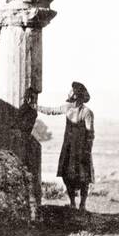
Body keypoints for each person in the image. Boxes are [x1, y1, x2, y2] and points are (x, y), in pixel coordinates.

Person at [36, 81, 95, 212]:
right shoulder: (67, 107)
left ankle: (83, 204)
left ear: (77, 94)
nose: (69, 92)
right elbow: (51, 111)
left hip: (81, 149)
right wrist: (36, 107)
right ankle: (73, 202)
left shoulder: (86, 112)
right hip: (68, 147)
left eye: (72, 91)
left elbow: (90, 133)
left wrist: (87, 150)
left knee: (84, 177)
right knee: (66, 175)